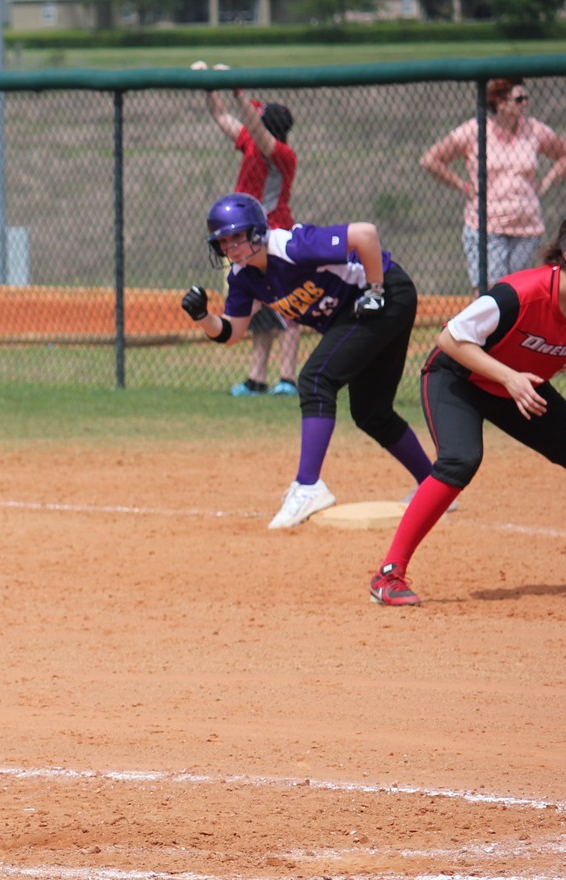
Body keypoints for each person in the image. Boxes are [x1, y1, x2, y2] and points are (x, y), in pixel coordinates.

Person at [370, 213, 566, 607]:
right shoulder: (521, 293)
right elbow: (450, 338)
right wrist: (508, 377)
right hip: (458, 377)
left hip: (520, 388)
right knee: (460, 459)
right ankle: (389, 575)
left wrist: (514, 382)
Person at [181, 192, 436, 529]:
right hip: (359, 312)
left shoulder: (291, 247)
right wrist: (202, 316)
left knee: (315, 379)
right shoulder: (243, 278)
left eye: (237, 236)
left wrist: (374, 290)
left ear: (257, 231)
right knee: (370, 412)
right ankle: (435, 489)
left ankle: (308, 485)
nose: (231, 247)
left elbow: (366, 235)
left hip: (386, 295)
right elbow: (231, 333)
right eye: (223, 242)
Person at [194, 61, 302, 397]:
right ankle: (256, 378)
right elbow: (221, 117)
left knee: (289, 309)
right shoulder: (251, 143)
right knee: (255, 305)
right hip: (244, 240)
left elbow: (257, 132)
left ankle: (287, 378)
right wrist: (208, 85)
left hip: (275, 237)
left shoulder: (283, 155)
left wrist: (238, 90)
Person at [420, 77, 566, 297]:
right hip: (487, 224)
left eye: (526, 98)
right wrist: (464, 186)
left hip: (526, 226)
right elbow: (431, 160)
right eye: (519, 99)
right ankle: (485, 333)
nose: (525, 104)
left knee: (519, 293)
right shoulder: (475, 130)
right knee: (491, 293)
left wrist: (546, 182)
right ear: (501, 103)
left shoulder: (533, 129)